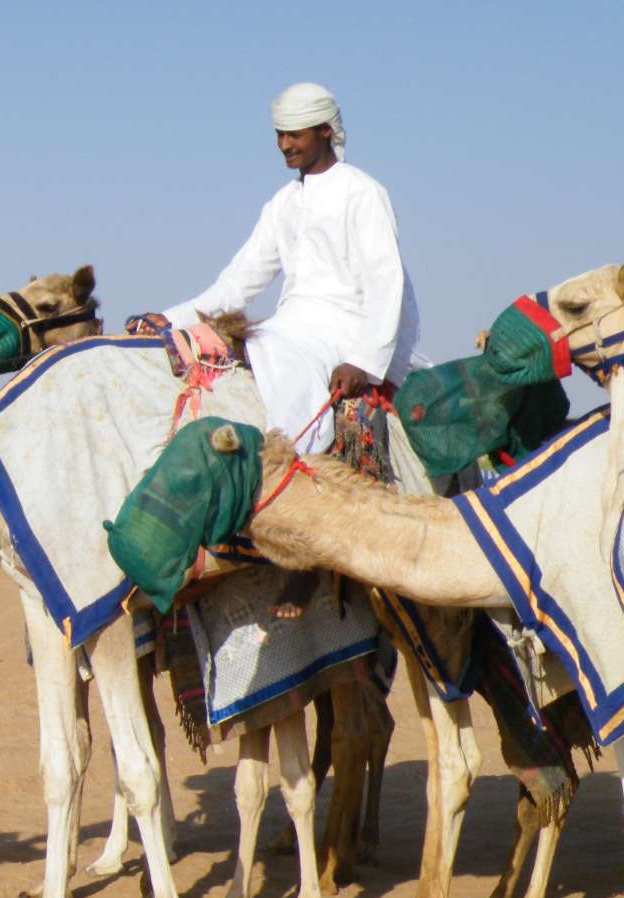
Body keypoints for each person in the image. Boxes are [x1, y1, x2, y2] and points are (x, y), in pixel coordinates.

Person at [148, 82, 425, 615]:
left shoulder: (361, 191)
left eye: (294, 134)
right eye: (279, 134)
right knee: (236, 355)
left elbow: (387, 279)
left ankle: (305, 558)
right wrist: (172, 318)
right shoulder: (283, 204)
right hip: (294, 322)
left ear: (326, 130)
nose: (284, 145)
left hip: (346, 329)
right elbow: (237, 284)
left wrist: (365, 362)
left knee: (287, 374)